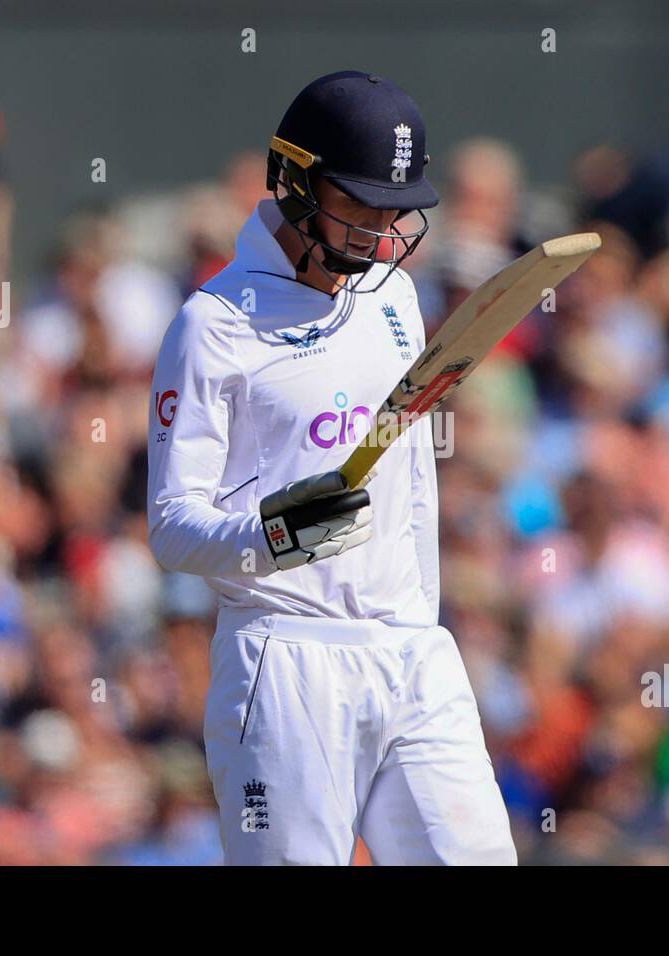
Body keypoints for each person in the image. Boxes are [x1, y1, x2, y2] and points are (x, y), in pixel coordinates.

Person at [146, 70, 516, 865]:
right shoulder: (212, 325)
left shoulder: (393, 296)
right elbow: (173, 529)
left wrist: (421, 621)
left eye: (397, 209)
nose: (383, 231)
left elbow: (411, 480)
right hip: (286, 661)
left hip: (411, 651)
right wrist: (279, 534)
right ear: (295, 180)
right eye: (360, 204)